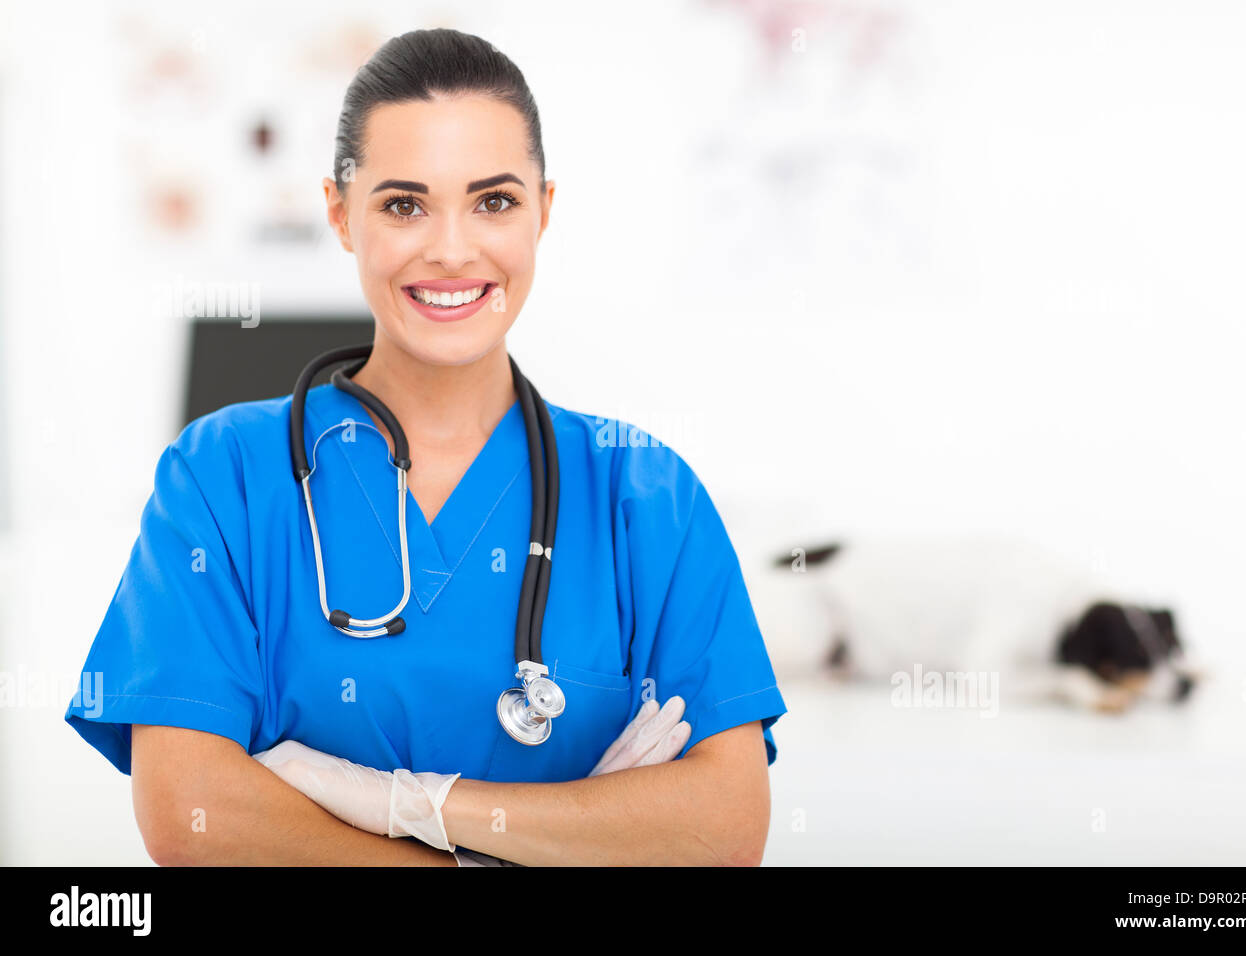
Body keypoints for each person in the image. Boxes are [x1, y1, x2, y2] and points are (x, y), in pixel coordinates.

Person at [64, 27, 786, 867]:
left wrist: (414, 805)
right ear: (340, 213)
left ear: (544, 211)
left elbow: (725, 826)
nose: (451, 249)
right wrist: (552, 838)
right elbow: (190, 814)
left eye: (494, 201)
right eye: (404, 204)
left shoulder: (644, 495)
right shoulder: (223, 477)